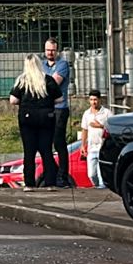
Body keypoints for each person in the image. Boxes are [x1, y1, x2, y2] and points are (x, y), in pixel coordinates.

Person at [9, 54, 61, 191]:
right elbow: (59, 99)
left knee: (29, 152)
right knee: (46, 151)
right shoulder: (47, 80)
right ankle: (51, 183)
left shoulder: (22, 80)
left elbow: (13, 100)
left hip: (27, 119)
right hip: (46, 119)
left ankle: (29, 184)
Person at [43, 38, 72, 187]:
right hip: (46, 108)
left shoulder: (62, 65)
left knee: (59, 142)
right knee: (44, 144)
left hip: (60, 108)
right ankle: (52, 173)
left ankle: (63, 177)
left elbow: (53, 84)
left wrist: (40, 82)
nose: (50, 53)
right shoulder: (43, 66)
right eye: (48, 50)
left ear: (57, 50)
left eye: (53, 50)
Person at [79, 90, 109, 188]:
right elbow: (84, 130)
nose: (93, 102)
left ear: (99, 100)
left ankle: (102, 189)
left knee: (101, 176)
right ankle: (97, 188)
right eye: (91, 100)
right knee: (91, 174)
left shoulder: (106, 113)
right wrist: (83, 145)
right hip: (91, 148)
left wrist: (100, 126)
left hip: (102, 148)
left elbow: (111, 129)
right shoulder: (87, 114)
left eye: (95, 99)